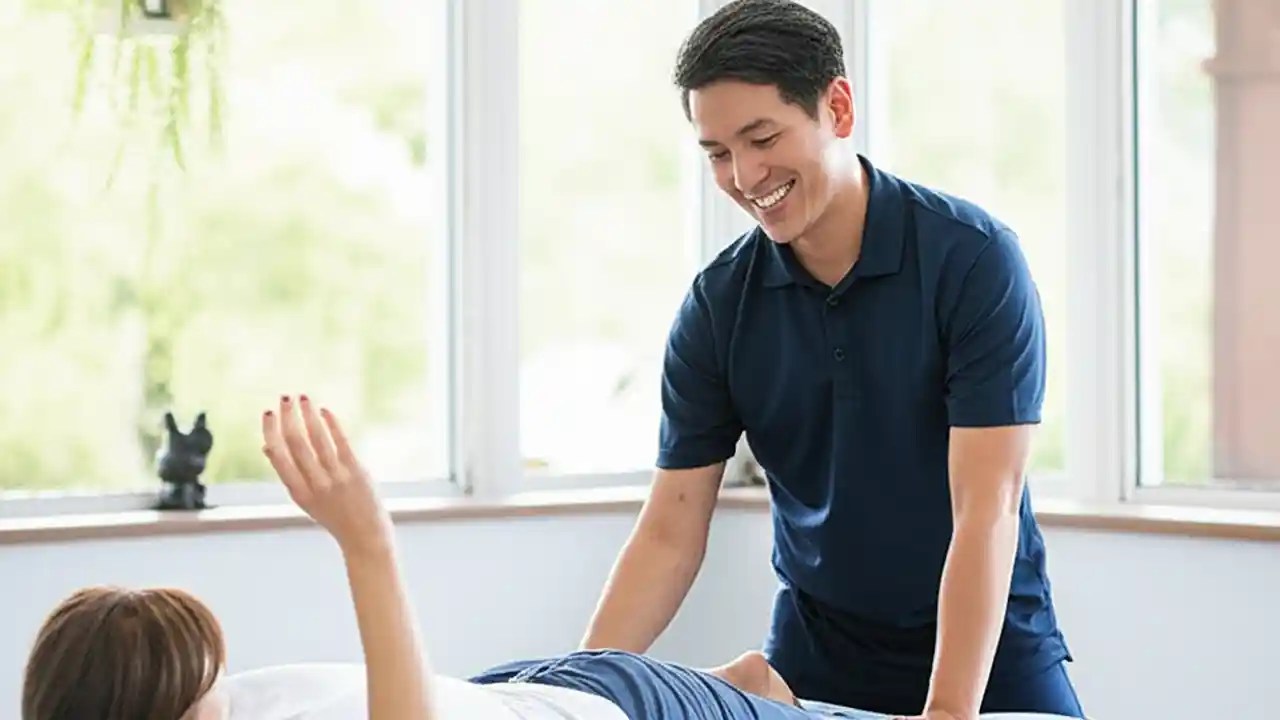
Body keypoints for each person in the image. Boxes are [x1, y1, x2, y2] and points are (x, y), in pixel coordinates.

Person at [577, 2, 1086, 719]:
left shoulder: (973, 262)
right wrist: (571, 690)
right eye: (718, 153)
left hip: (991, 656)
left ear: (837, 108)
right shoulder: (720, 306)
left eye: (762, 138)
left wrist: (946, 712)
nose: (744, 175)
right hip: (815, 657)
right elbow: (669, 531)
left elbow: (986, 509)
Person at [23, 395, 956, 720]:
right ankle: (742, 687)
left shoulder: (226, 702)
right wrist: (365, 538)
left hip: (562, 690)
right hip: (572, 694)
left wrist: (367, 540)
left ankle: (741, 689)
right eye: (204, 688)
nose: (222, 685)